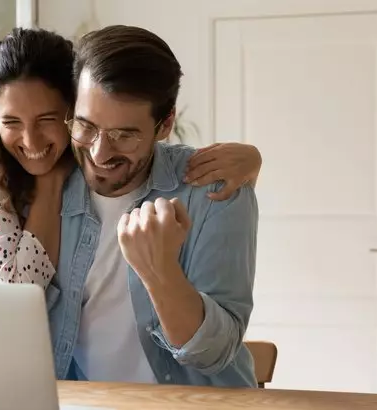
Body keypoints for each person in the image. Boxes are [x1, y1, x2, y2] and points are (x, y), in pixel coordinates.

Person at [0, 27, 262, 289]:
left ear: (74, 108)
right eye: (11, 122)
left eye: (46, 120)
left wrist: (251, 158)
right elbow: (19, 287)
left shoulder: (84, 152)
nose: (30, 141)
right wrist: (51, 182)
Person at [47, 25, 258, 387]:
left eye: (124, 134)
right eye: (86, 126)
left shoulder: (215, 190)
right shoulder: (46, 184)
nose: (99, 152)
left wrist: (159, 270)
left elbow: (214, 353)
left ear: (165, 125)